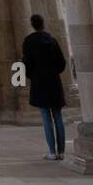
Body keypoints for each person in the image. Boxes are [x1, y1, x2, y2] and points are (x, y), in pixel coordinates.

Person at [22, 14, 67, 160]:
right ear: (43, 24)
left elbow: (26, 64)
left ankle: (52, 152)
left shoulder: (29, 42)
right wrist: (53, 72)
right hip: (54, 81)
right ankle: (61, 151)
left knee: (46, 117)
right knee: (58, 116)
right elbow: (62, 62)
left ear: (32, 25)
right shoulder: (52, 41)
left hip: (39, 82)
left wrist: (33, 76)